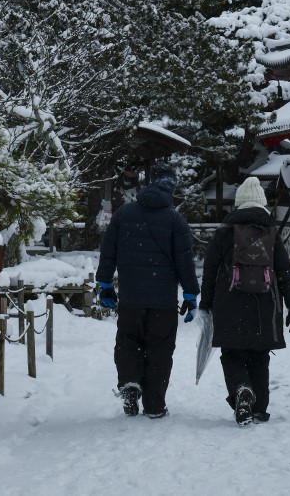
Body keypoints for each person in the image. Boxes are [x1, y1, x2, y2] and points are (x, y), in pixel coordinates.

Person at [96, 161, 199, 419]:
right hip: (163, 301)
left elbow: (108, 252)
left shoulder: (124, 214)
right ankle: (154, 404)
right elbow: (185, 260)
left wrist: (105, 284)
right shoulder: (175, 219)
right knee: (160, 348)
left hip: (131, 297)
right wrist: (190, 293)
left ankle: (130, 382)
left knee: (128, 342)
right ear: (171, 187)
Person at [198, 176, 290, 426]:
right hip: (264, 305)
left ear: (239, 203)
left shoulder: (225, 232)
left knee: (232, 353)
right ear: (262, 204)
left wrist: (207, 302)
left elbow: (210, 270)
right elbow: (285, 273)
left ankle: (241, 388)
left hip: (229, 301)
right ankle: (258, 408)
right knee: (259, 356)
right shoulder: (271, 233)